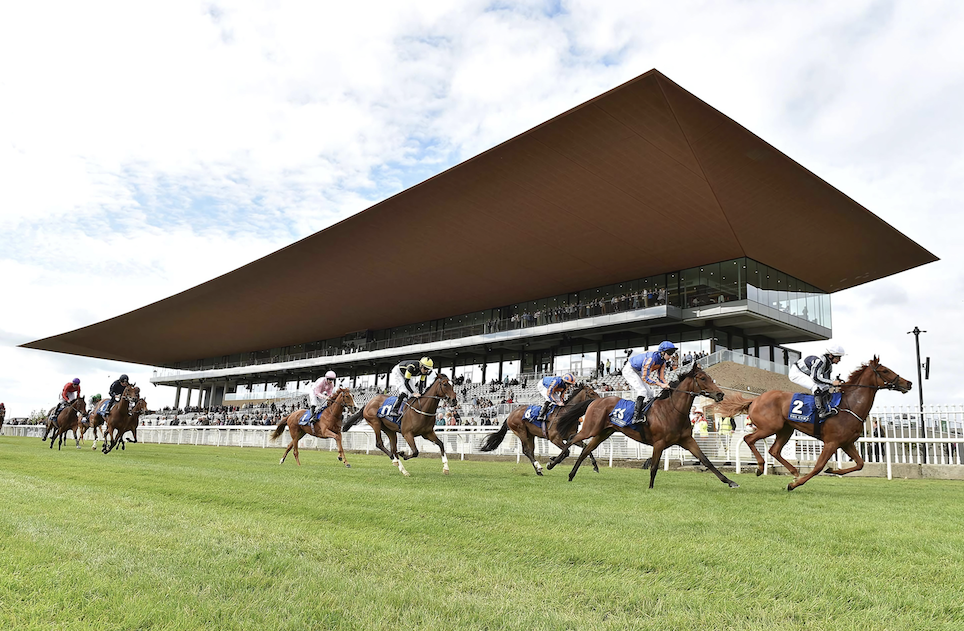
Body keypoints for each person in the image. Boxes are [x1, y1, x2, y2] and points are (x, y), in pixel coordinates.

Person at [621, 341, 677, 424]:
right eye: (669, 353)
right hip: (630, 369)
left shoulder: (663, 362)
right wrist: (661, 384)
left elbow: (661, 377)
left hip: (639, 371)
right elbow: (645, 378)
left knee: (650, 393)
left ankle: (648, 414)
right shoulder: (651, 359)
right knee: (642, 391)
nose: (670, 356)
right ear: (662, 352)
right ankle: (636, 417)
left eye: (672, 353)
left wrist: (666, 384)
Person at [788, 344, 845, 419]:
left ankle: (827, 406)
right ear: (831, 355)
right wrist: (832, 382)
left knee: (825, 387)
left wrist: (835, 384)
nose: (839, 360)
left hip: (808, 374)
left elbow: (826, 382)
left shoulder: (829, 366)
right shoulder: (820, 361)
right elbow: (815, 378)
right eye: (838, 357)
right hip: (797, 373)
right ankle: (821, 412)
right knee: (815, 387)